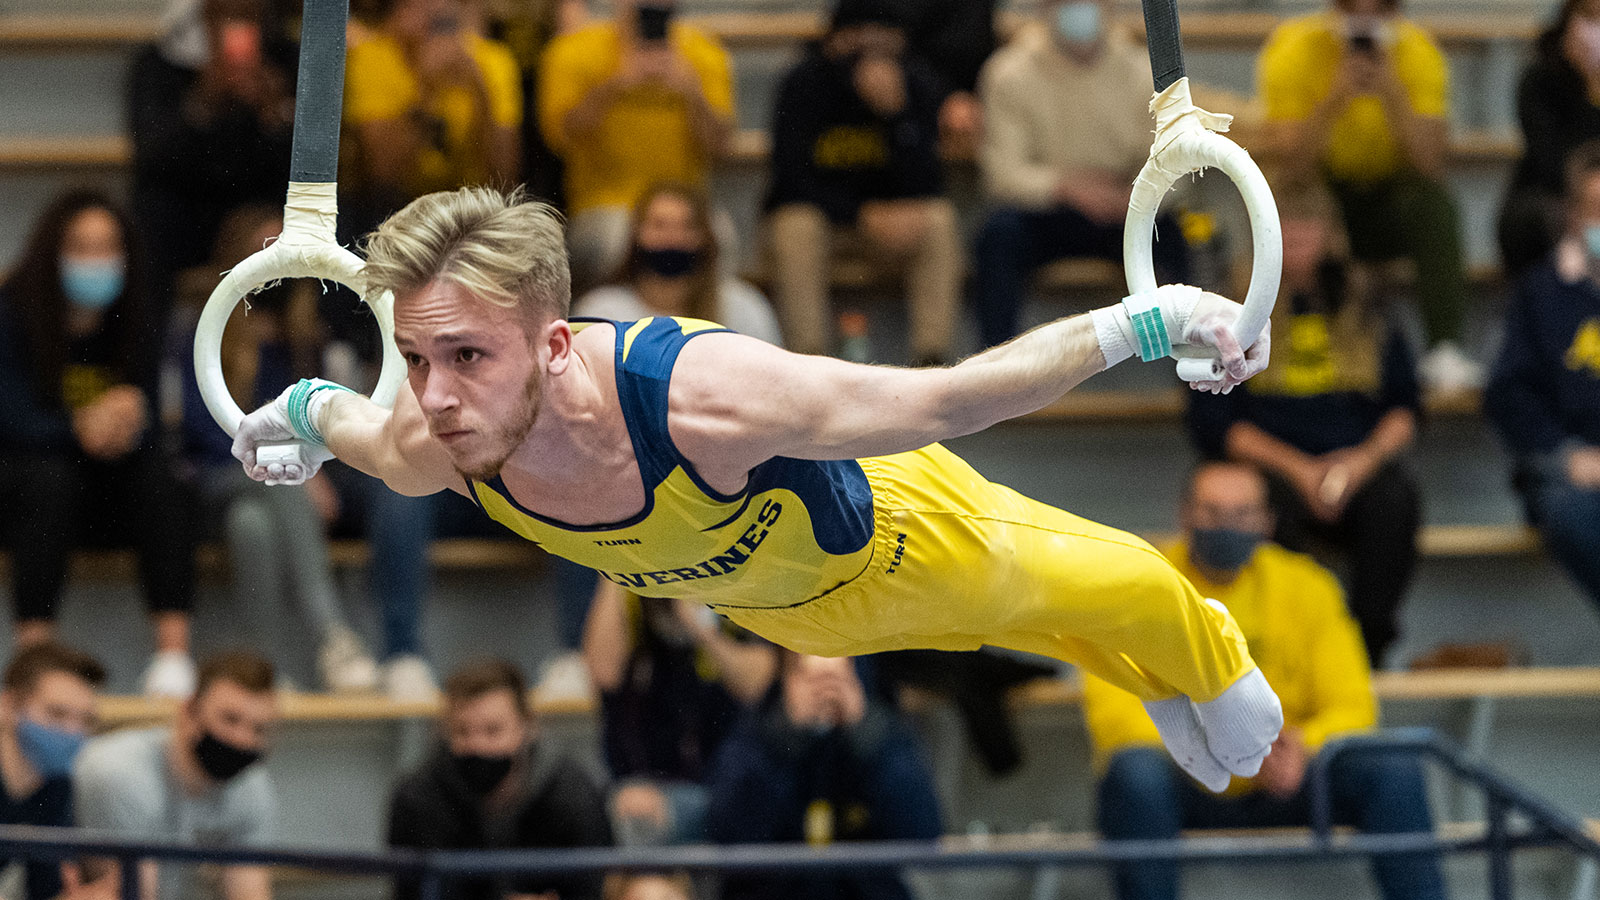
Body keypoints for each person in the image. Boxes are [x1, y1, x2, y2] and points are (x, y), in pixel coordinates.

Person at [230, 184, 1282, 794]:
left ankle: (1209, 653)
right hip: (789, 619)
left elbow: (949, 399)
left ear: (554, 344)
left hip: (903, 535)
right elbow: (358, 430)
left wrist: (1142, 324)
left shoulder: (697, 398)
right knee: (1026, 633)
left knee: (1107, 589)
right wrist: (300, 413)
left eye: (466, 357)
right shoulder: (432, 437)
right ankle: (1157, 679)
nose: (437, 395)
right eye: (415, 358)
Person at [1085, 460, 1448, 900]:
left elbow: (1354, 707)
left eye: (1243, 515)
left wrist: (1301, 745)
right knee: (1134, 773)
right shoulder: (1138, 586)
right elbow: (1117, 719)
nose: (1227, 526)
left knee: (1394, 768)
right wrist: (1223, 750)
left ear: (1267, 521)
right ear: (1184, 515)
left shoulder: (1308, 586)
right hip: (1187, 780)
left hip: (1288, 775)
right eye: (1212, 513)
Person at [1186, 183, 1421, 665]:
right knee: (1258, 507)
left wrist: (1360, 462)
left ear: (1331, 236)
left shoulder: (1369, 305)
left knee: (1396, 504)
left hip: (1356, 463)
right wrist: (1299, 470)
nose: (1296, 240)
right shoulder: (1228, 310)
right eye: (1283, 229)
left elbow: (1406, 407)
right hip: (1273, 464)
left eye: (1307, 227)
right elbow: (1215, 421)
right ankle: (1293, 649)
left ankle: (1365, 649)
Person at [0, 190, 199, 697]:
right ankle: (35, 653)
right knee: (46, 479)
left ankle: (173, 656)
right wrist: (79, 428)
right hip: (30, 487)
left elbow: (150, 415)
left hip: (110, 484)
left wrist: (123, 424)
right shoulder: (12, 312)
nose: (97, 261)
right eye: (82, 248)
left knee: (164, 478)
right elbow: (11, 418)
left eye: (108, 248)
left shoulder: (138, 312)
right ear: (54, 252)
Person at [178, 206, 379, 692]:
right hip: (215, 476)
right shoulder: (200, 328)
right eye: (262, 255)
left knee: (253, 528)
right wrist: (293, 466)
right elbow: (202, 429)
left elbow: (330, 413)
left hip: (264, 499)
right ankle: (333, 633)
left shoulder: (306, 336)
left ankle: (264, 670)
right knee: (284, 475)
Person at [1257, 0, 1477, 390]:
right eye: (1351, 11)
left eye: (1377, 12)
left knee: (1435, 205)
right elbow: (1292, 167)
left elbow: (1430, 166)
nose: (1364, 23)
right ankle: (1280, 353)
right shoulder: (1294, 46)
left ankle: (1444, 347)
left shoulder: (1418, 51)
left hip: (1388, 201)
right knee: (1291, 200)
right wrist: (1334, 99)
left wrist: (1393, 94)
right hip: (1323, 199)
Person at [974, 0, 1189, 347]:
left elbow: (1175, 164)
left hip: (1126, 211)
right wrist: (1065, 187)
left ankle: (1202, 379)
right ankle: (998, 375)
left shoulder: (1144, 71)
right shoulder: (1008, 72)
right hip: (1045, 215)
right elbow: (1003, 175)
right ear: (1044, 8)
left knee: (1181, 240)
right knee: (997, 239)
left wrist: (1137, 197)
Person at [764, 0, 963, 364]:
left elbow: (929, 184)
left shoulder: (917, 84)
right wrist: (860, 214)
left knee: (938, 219)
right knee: (795, 227)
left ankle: (932, 364)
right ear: (834, 40)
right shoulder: (804, 83)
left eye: (880, 40)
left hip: (891, 232)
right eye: (857, 38)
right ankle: (810, 362)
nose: (869, 52)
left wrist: (897, 116)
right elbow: (789, 181)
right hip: (829, 226)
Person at [706, 653, 941, 900]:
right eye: (809, 677)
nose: (825, 690)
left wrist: (864, 730)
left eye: (838, 676)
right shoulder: (756, 735)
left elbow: (923, 831)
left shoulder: (883, 736)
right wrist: (787, 736)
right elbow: (727, 832)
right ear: (786, 678)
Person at [538, 0, 734, 292]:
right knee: (616, 242)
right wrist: (613, 85)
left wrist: (692, 93)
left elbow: (721, 146)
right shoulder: (574, 50)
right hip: (604, 206)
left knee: (721, 237)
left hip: (684, 202)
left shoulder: (704, 52)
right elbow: (558, 140)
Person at [387, 657, 611, 900]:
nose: (477, 746)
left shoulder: (573, 797)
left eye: (492, 730)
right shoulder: (418, 800)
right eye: (462, 731)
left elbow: (597, 890)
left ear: (528, 727)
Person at [1485, 141, 1600, 611]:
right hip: (1569, 471)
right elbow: (1508, 395)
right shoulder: (1542, 291)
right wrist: (1567, 454)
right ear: (1574, 216)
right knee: (1572, 512)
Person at [74, 650, 280, 900]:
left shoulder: (250, 785)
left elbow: (249, 892)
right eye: (230, 719)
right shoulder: (118, 773)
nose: (242, 739)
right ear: (188, 712)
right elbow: (130, 894)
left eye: (259, 729)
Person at [128, 0, 295, 306]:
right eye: (225, 15)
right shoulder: (158, 65)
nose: (236, 27)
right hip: (187, 213)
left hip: (258, 208)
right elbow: (151, 159)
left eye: (246, 16)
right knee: (151, 221)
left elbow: (295, 169)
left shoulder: (286, 62)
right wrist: (203, 104)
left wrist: (275, 115)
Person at [583, 582, 776, 845]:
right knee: (631, 816)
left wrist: (698, 624)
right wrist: (616, 564)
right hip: (638, 789)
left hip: (719, 788)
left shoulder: (730, 591)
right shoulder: (629, 599)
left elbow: (759, 684)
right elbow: (603, 673)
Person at [342, 0, 522, 230]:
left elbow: (505, 177)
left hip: (471, 205)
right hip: (398, 212)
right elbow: (383, 174)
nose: (435, 8)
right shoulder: (373, 57)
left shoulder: (492, 60)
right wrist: (427, 92)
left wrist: (480, 93)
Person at [573, 181, 783, 347]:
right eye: (659, 225)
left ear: (706, 238)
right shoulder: (601, 312)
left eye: (686, 227)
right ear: (635, 237)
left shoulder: (744, 307)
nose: (672, 239)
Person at [1499, 0, 1600, 277]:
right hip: (1550, 200)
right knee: (1553, 218)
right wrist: (1588, 85)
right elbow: (1553, 165)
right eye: (1589, 17)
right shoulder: (1539, 81)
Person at [0, 643, 108, 900]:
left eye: (85, 720)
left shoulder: (58, 787)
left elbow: (44, 890)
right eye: (57, 714)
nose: (72, 731)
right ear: (7, 706)